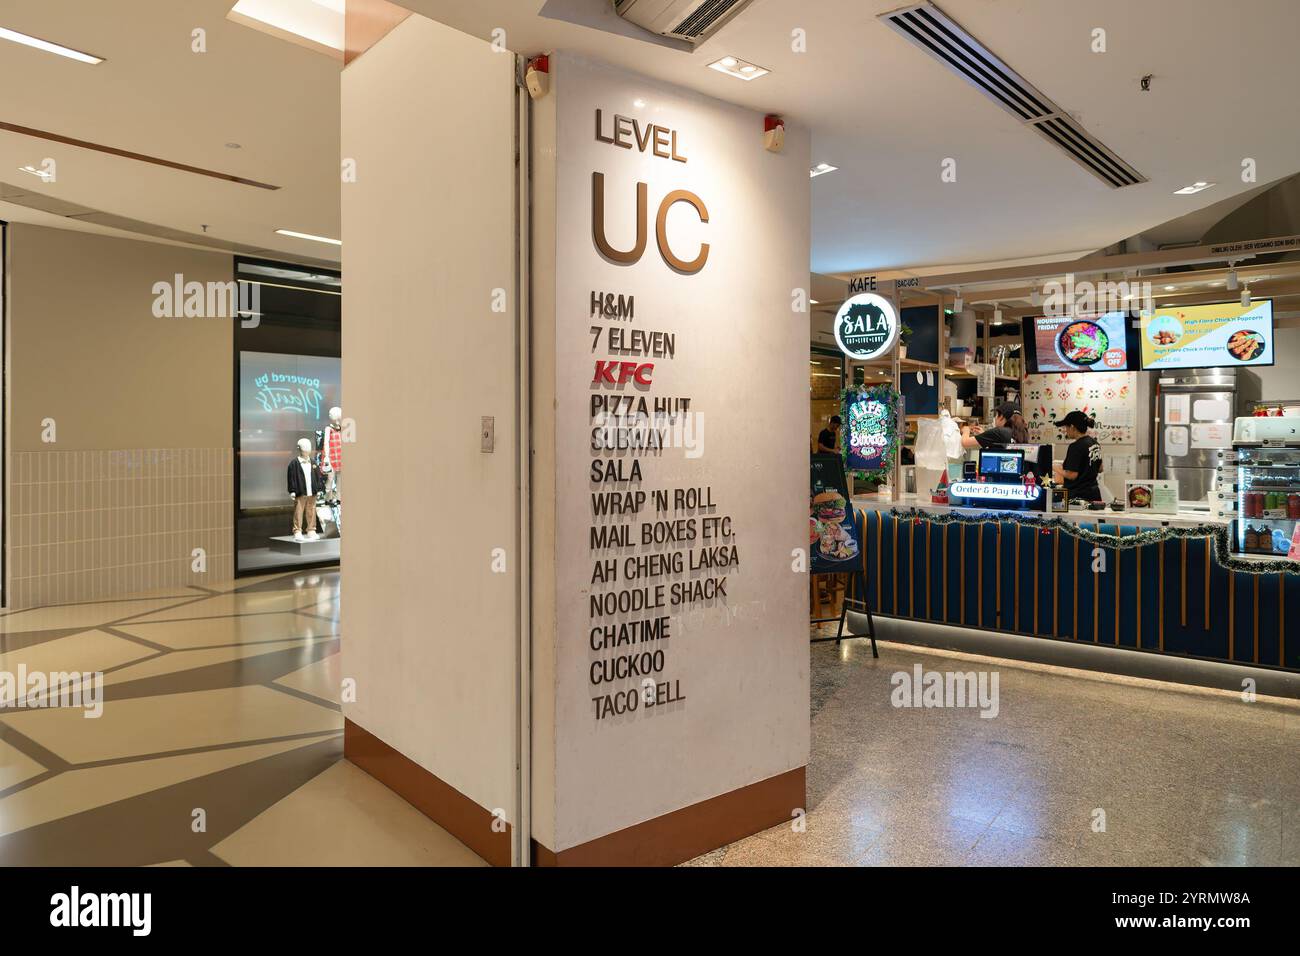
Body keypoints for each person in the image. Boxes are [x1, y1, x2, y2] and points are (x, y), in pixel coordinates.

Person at [1052, 410, 1103, 502]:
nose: (1065, 431)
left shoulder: (1075, 447)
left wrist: (1054, 467)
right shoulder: (1095, 443)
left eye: (1066, 427)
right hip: (1094, 494)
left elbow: (1072, 475)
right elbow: (1100, 469)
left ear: (1072, 427)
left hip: (1079, 497)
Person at [960, 401, 1030, 449]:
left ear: (1001, 417)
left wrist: (966, 429)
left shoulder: (999, 431)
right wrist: (984, 434)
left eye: (996, 414)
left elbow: (965, 443)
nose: (995, 417)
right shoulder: (1022, 432)